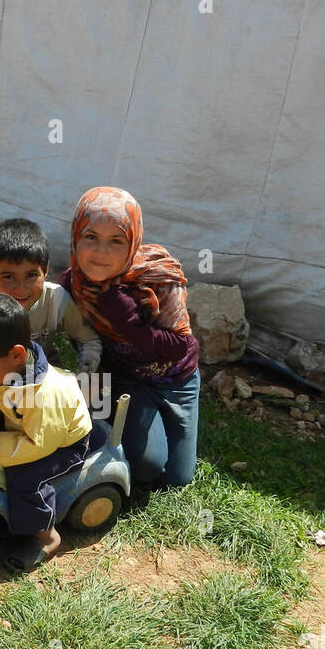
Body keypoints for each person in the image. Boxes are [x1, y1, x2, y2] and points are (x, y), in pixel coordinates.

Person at [60, 186, 200, 487]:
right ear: (75, 237)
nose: (100, 253)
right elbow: (83, 342)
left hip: (176, 381)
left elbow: (179, 347)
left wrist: (126, 319)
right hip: (120, 376)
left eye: (116, 241)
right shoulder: (74, 285)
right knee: (145, 466)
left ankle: (123, 422)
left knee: (177, 478)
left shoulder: (157, 280)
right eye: (90, 237)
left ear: (133, 242)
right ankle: (111, 420)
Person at [0, 292, 93, 572]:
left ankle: (45, 535)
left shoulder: (44, 394)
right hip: (23, 429)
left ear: (17, 354)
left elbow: (39, 445)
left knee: (23, 476)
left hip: (62, 443)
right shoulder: (3, 370)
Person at [0, 218, 100, 396]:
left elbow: (88, 340)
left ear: (46, 270)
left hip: (45, 373)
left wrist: (83, 376)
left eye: (31, 275)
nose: (21, 287)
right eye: (8, 277)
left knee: (86, 419)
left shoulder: (56, 298)